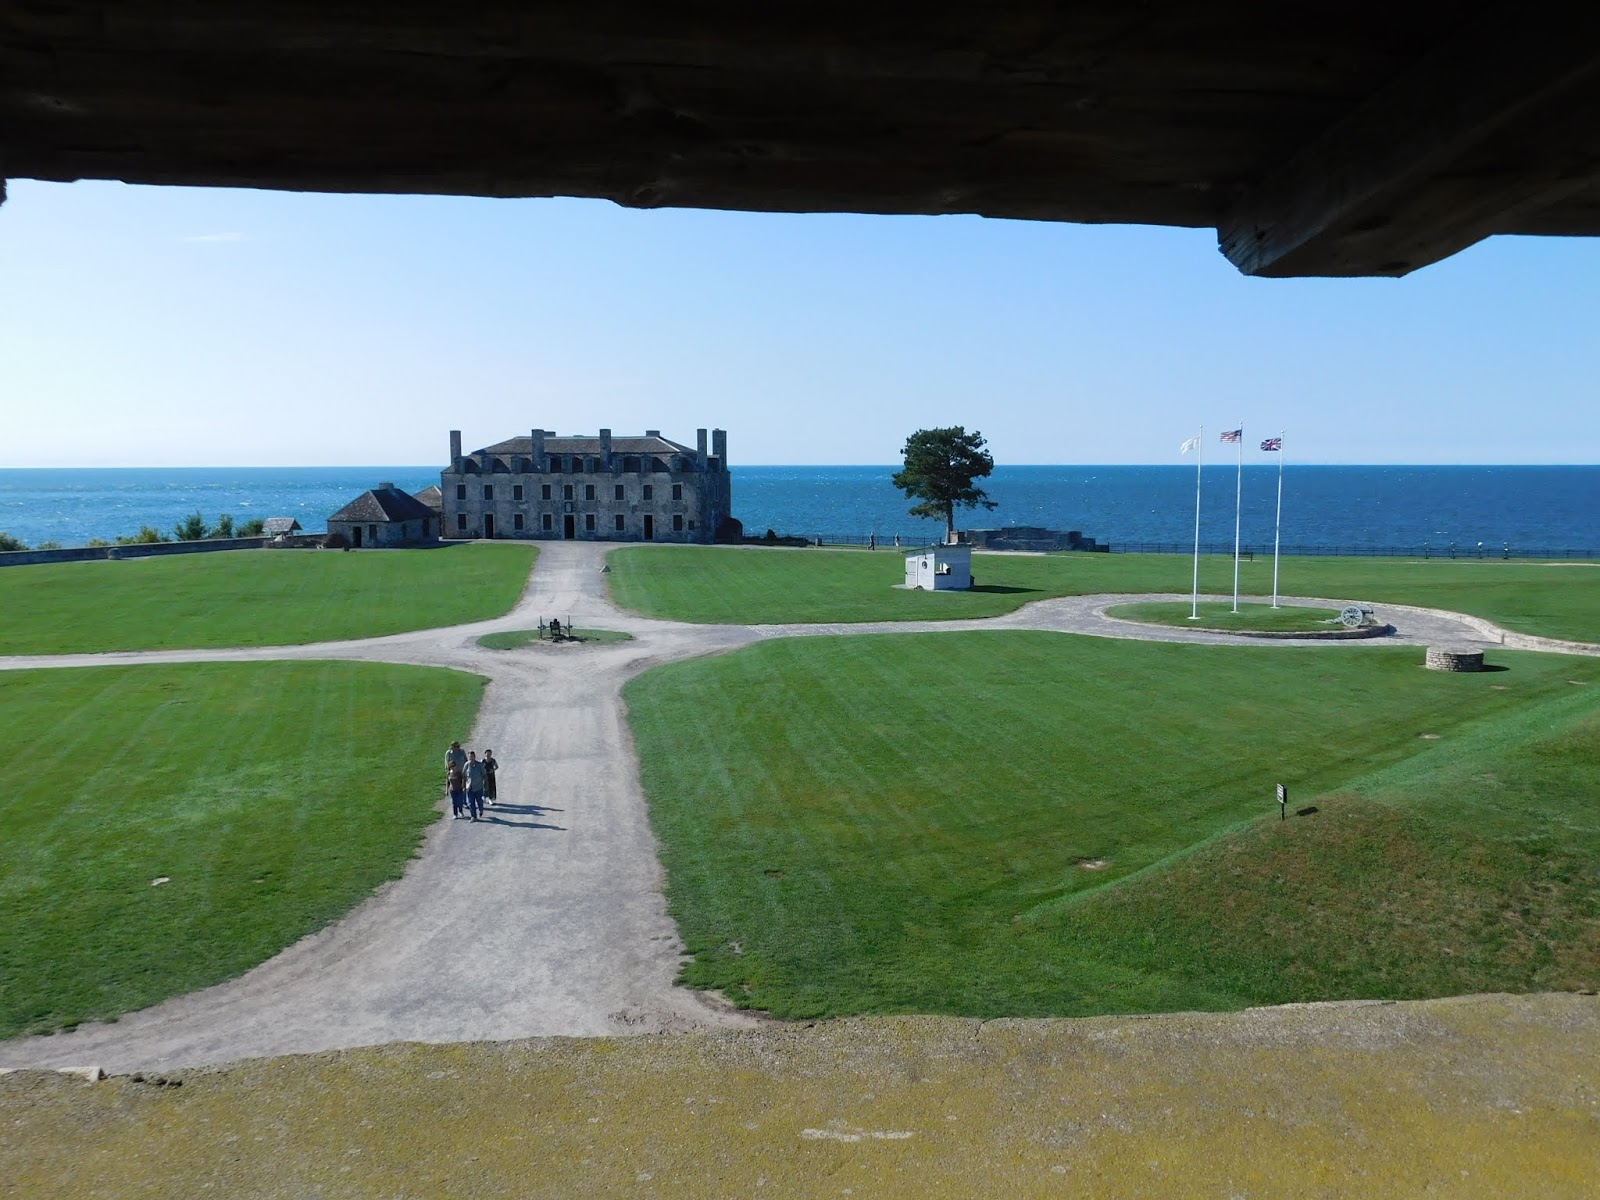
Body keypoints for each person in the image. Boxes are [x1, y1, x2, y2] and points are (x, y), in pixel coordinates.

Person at [464, 750, 487, 822]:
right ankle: (473, 816)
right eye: (469, 757)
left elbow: (484, 775)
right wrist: (464, 786)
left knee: (479, 801)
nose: (471, 758)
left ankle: (481, 810)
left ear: (474, 756)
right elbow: (464, 775)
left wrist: (485, 784)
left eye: (472, 756)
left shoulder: (479, 765)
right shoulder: (467, 765)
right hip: (469, 787)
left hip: (478, 787)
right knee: (471, 803)